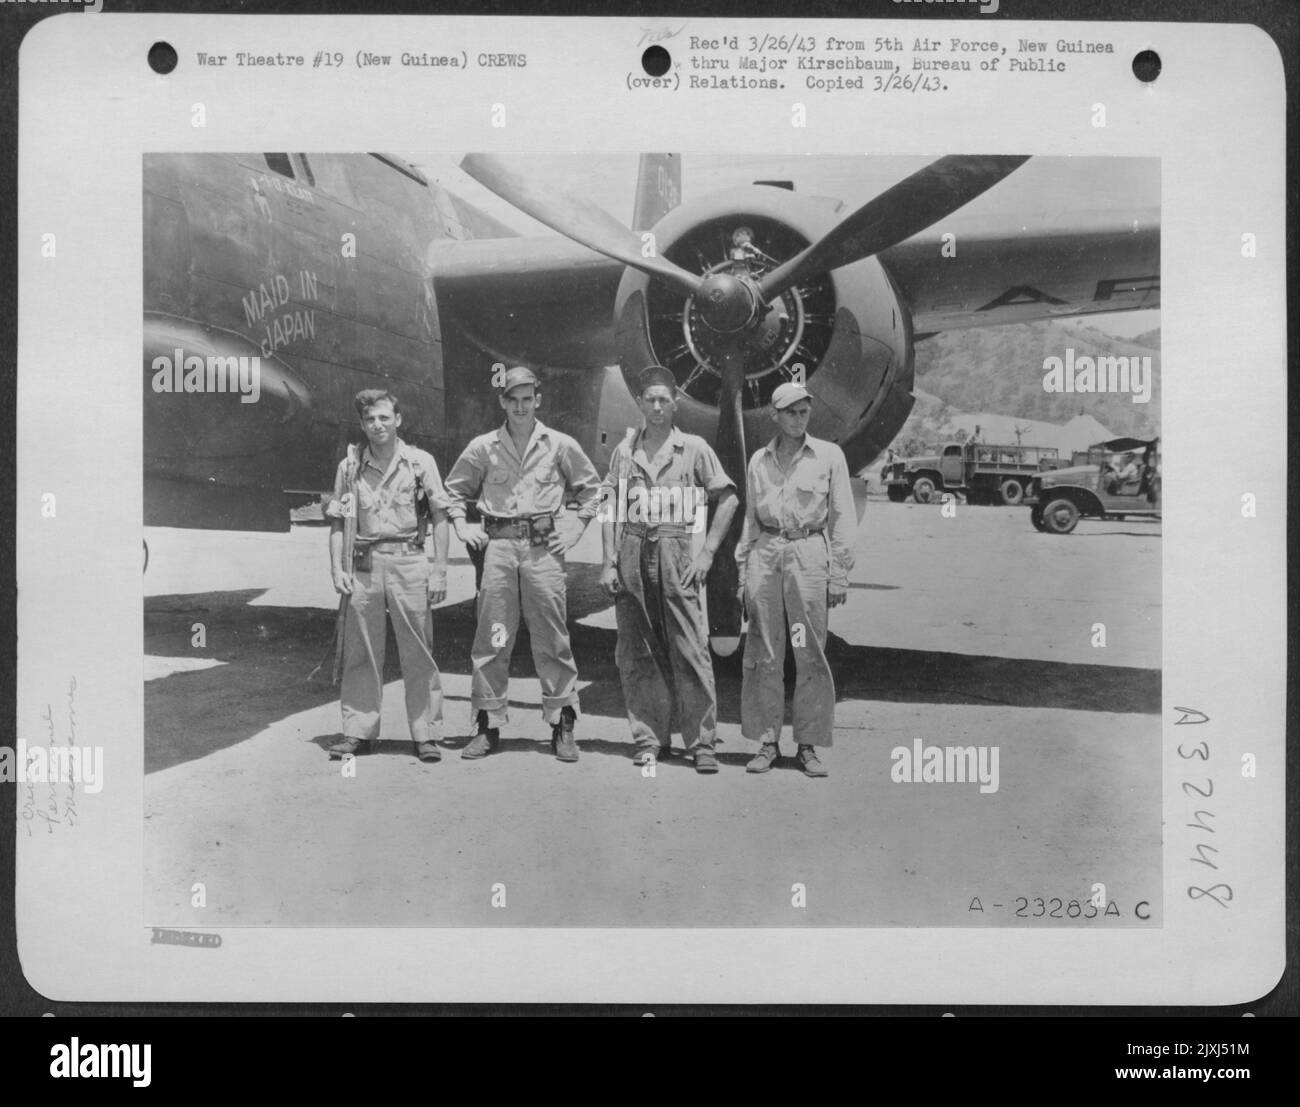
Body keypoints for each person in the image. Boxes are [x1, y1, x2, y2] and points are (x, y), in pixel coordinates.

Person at [443, 367, 602, 762]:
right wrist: (462, 525)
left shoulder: (560, 445)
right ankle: (487, 725)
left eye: (526, 399)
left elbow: (593, 490)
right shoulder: (483, 447)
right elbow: (452, 492)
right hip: (498, 549)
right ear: (502, 402)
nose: (519, 406)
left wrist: (576, 527)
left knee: (551, 636)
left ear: (538, 401)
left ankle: (562, 724)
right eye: (512, 399)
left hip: (543, 550)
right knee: (494, 635)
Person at [599, 365, 739, 773]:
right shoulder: (625, 452)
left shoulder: (693, 449)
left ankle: (702, 743)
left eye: (664, 400)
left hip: (677, 548)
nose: (657, 407)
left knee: (690, 647)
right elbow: (609, 507)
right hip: (632, 547)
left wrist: (708, 552)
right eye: (650, 400)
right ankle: (649, 739)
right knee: (637, 649)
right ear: (640, 403)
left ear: (674, 404)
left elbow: (727, 498)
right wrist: (609, 561)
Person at [734, 382, 856, 778]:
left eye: (804, 411)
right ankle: (767, 742)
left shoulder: (828, 456)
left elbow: (842, 518)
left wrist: (838, 574)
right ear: (775, 415)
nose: (799, 419)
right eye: (791, 412)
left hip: (807, 556)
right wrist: (742, 572)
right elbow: (751, 520)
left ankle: (808, 745)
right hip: (766, 555)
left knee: (808, 650)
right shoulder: (758, 461)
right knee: (765, 650)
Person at [325, 390, 451, 762]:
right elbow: (337, 522)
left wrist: (440, 570)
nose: (377, 426)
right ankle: (359, 732)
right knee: (360, 651)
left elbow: (441, 517)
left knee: (418, 651)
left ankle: (425, 734)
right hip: (363, 566)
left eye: (383, 417)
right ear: (362, 425)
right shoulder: (349, 468)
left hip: (409, 561)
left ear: (398, 420)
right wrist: (336, 568)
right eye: (369, 420)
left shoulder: (419, 463)